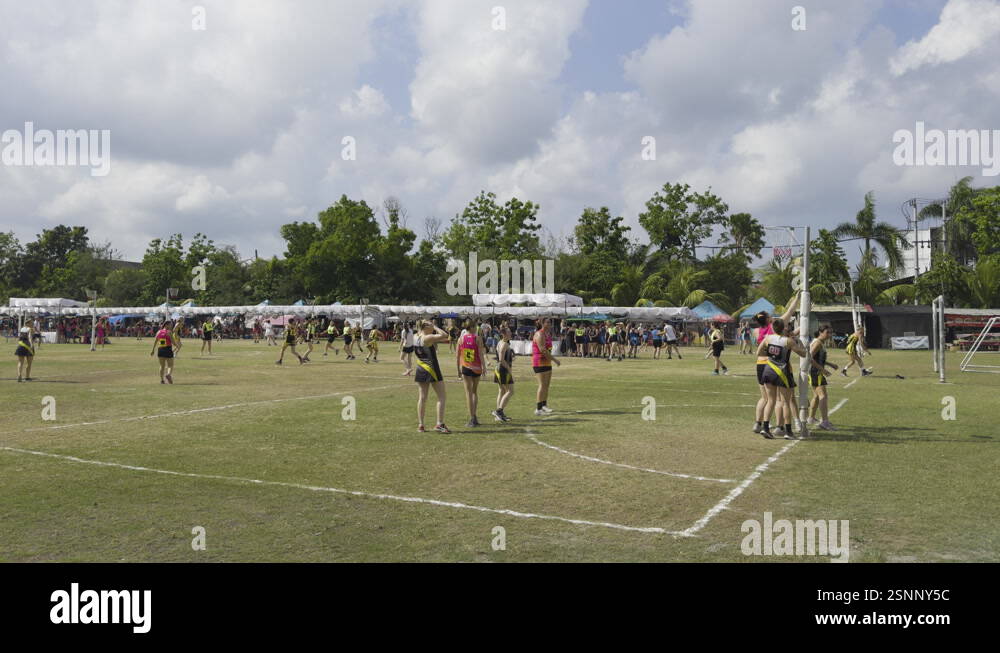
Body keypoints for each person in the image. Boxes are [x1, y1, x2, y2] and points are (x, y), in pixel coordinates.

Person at [752, 293, 800, 435]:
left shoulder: (757, 331)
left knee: (765, 398)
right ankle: (780, 427)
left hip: (760, 364)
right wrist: (796, 298)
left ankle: (758, 424)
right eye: (769, 315)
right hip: (773, 364)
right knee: (780, 398)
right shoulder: (774, 327)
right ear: (768, 319)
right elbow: (790, 311)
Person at [755, 318, 809, 440]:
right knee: (785, 402)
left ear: (773, 328)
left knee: (770, 401)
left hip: (768, 370)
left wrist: (771, 356)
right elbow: (803, 354)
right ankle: (788, 431)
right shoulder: (788, 341)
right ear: (783, 328)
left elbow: (758, 352)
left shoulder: (768, 338)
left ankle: (765, 428)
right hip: (782, 372)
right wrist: (802, 345)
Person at [414, 320, 451, 433]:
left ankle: (421, 425)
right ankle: (439, 423)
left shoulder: (415, 336)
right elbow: (445, 336)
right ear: (426, 327)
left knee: (422, 397)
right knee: (441, 396)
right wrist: (435, 326)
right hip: (431, 369)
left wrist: (429, 326)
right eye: (429, 325)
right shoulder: (427, 337)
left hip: (420, 368)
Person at [807, 325, 838, 430]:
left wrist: (830, 364)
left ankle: (811, 418)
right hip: (815, 372)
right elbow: (809, 357)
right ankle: (824, 422)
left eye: (831, 332)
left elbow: (818, 358)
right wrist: (822, 369)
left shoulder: (820, 342)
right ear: (821, 332)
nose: (829, 335)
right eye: (827, 332)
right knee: (823, 396)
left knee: (816, 396)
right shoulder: (818, 343)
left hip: (815, 371)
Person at [456, 320, 485, 427]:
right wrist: (484, 367)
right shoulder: (478, 338)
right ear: (472, 327)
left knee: (468, 393)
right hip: (477, 368)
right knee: (474, 392)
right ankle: (474, 417)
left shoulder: (461, 339)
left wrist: (457, 370)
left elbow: (457, 356)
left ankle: (472, 417)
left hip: (466, 367)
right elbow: (481, 354)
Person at [532, 318, 561, 415]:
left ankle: (544, 405)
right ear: (542, 323)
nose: (549, 324)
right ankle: (538, 409)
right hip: (539, 362)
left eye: (550, 322)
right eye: (547, 322)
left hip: (547, 362)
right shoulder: (539, 334)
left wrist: (551, 360)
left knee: (546, 385)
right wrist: (555, 360)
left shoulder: (548, 334)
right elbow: (543, 350)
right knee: (542, 385)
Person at [491, 326, 515, 422]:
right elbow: (501, 359)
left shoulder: (501, 342)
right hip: (503, 370)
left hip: (499, 369)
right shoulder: (504, 344)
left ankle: (499, 414)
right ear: (504, 334)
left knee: (501, 391)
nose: (511, 334)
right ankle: (499, 411)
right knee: (510, 391)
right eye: (509, 332)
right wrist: (509, 368)